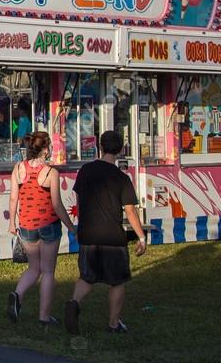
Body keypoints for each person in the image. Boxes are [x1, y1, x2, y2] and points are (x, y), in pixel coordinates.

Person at [65, 130, 146, 335]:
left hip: (88, 234)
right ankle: (113, 323)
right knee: (117, 281)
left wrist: (81, 226)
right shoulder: (121, 178)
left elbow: (79, 202)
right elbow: (130, 210)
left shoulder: (85, 171)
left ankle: (73, 304)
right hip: (113, 237)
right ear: (119, 150)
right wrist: (141, 236)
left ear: (100, 147)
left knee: (86, 278)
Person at [7, 131, 76, 327]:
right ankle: (44, 317)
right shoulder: (50, 173)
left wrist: (12, 222)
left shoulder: (18, 168)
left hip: (27, 225)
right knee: (47, 271)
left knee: (33, 268)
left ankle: (17, 295)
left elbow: (13, 198)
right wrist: (70, 227)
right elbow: (57, 205)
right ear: (45, 150)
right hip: (48, 226)